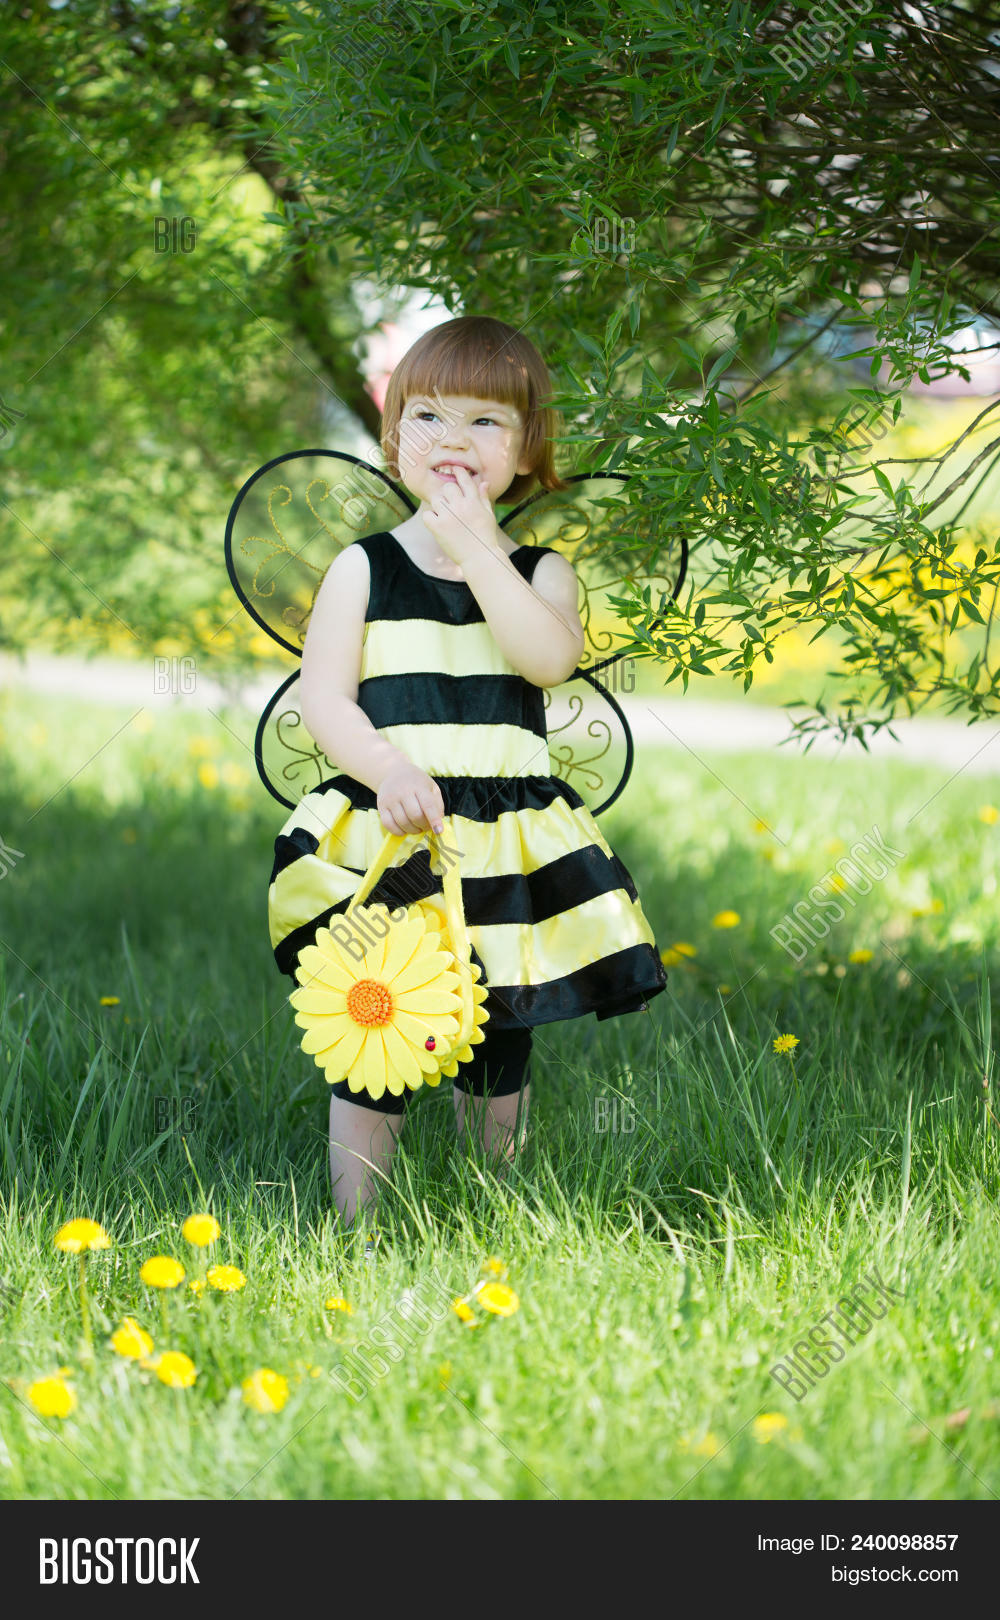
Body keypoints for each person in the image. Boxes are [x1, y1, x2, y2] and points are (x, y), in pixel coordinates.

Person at [267, 314, 667, 1238]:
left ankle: (492, 1199)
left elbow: (546, 661)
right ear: (395, 436)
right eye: (431, 417)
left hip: (506, 835)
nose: (454, 441)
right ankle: (356, 1219)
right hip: (396, 820)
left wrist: (483, 552)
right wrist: (387, 767)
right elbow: (325, 699)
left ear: (529, 449)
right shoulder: (362, 569)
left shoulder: (541, 573)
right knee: (375, 1016)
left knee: (503, 1014)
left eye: (487, 423)